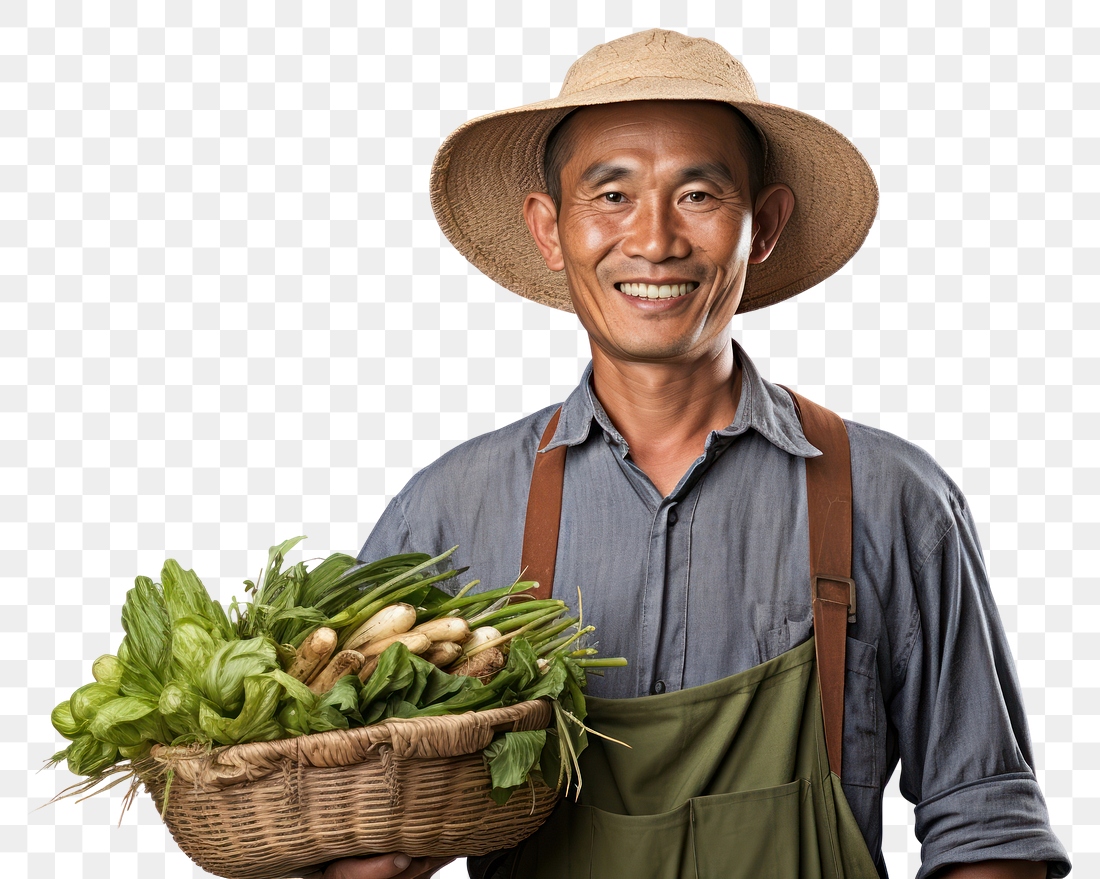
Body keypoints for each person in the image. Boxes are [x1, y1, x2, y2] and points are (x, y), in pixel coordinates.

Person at [315, 29, 1070, 879]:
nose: (655, 240)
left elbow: (985, 827)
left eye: (700, 195)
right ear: (549, 227)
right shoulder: (452, 510)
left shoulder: (892, 497)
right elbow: (349, 817)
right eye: (610, 195)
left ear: (765, 225)